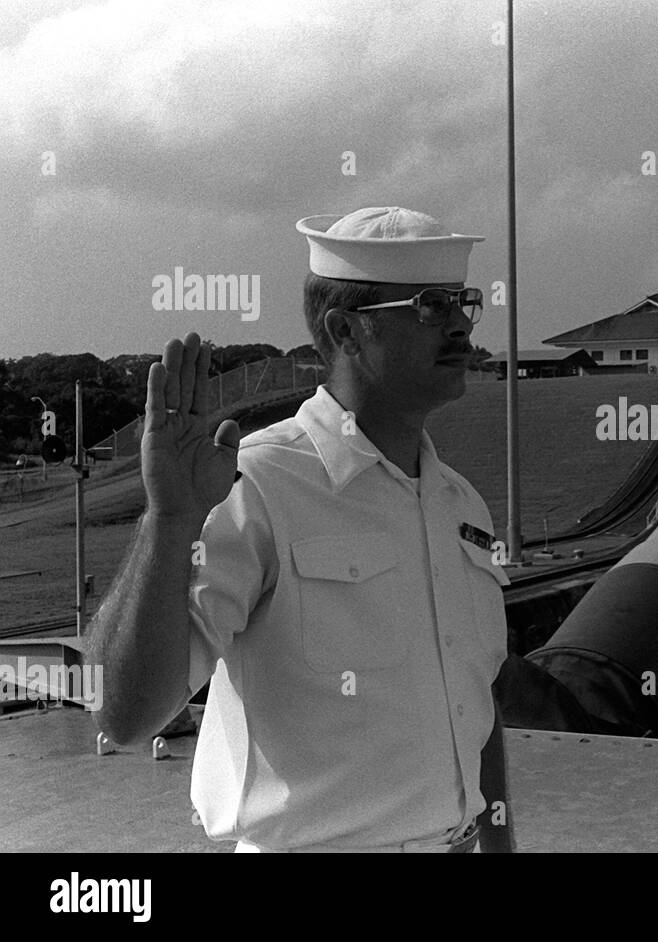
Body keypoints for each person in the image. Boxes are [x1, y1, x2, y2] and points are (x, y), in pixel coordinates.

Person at [88, 206, 514, 853]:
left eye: (464, 301)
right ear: (346, 330)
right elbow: (124, 715)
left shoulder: (463, 508)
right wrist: (169, 521)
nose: (459, 323)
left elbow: (472, 705)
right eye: (430, 306)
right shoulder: (254, 485)